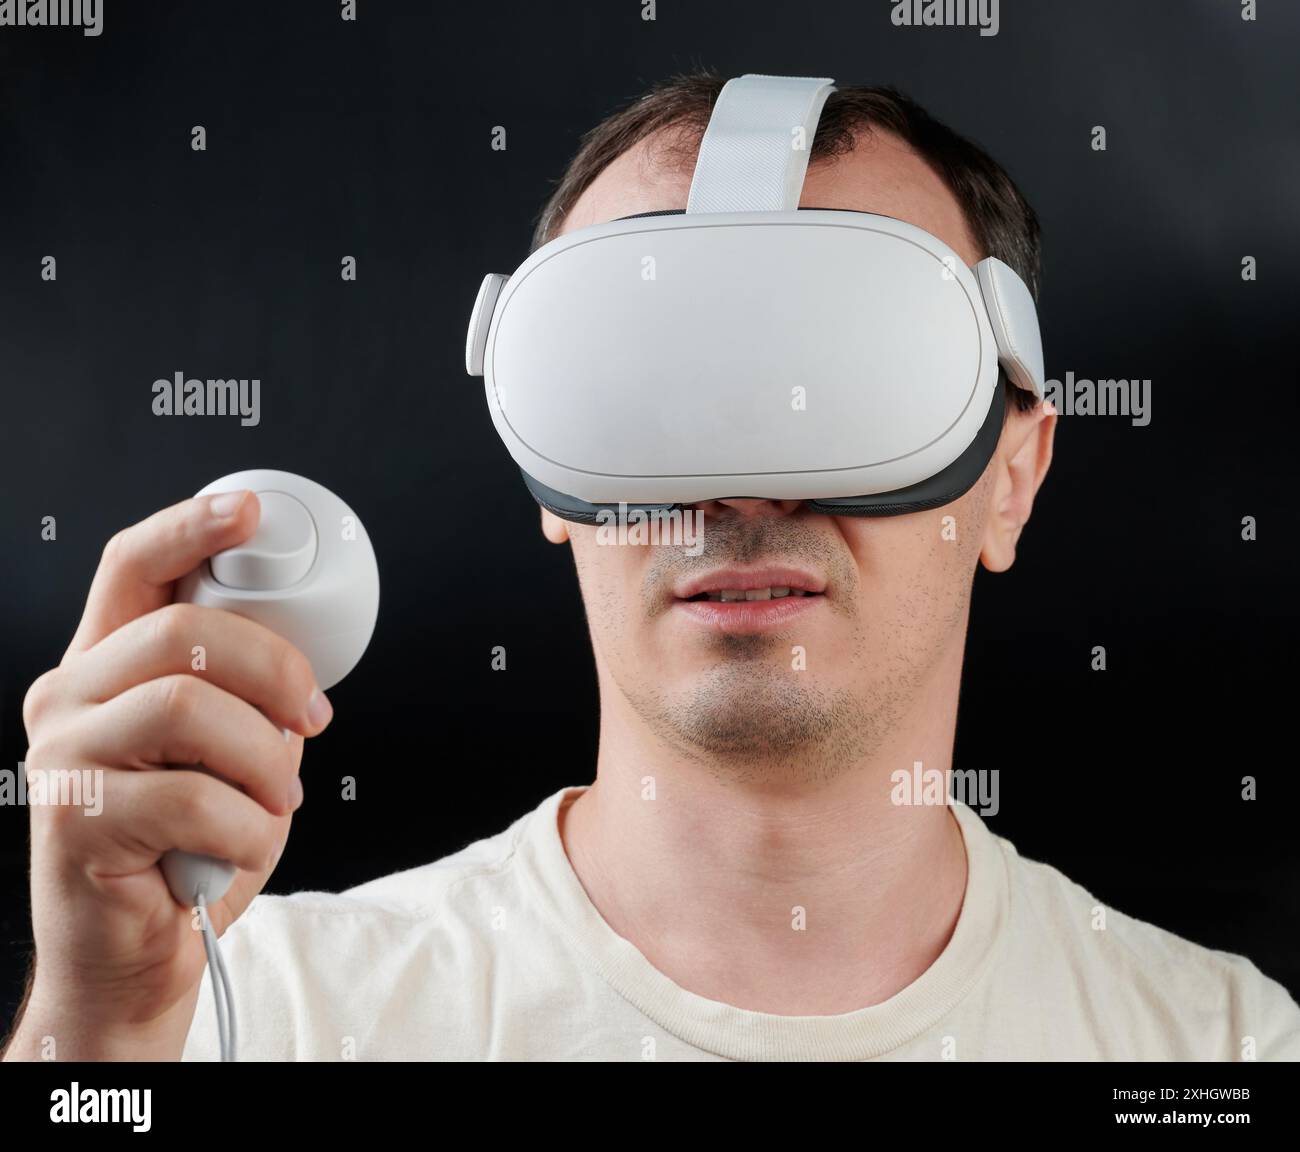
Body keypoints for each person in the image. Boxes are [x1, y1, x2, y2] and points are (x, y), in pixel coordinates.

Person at [5, 72, 1298, 1062]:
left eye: (849, 378)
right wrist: (100, 1025)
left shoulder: (1214, 1050)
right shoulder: (254, 1012)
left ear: (1011, 474)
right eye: (641, 390)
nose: (735, 489)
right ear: (546, 469)